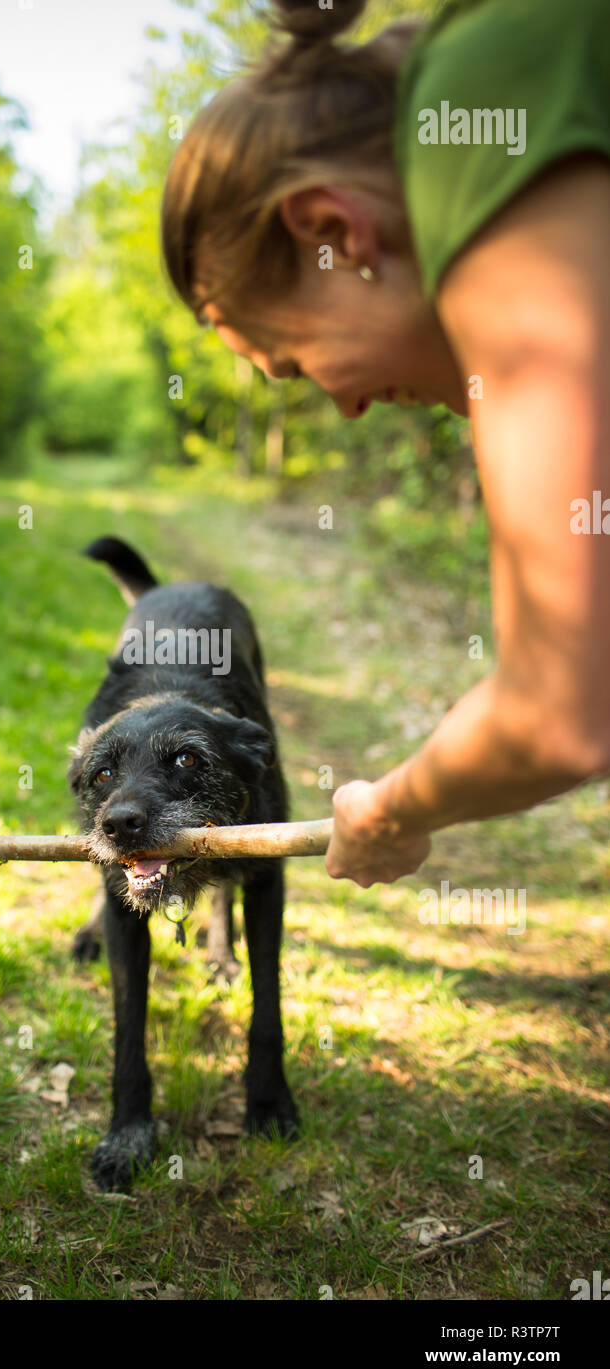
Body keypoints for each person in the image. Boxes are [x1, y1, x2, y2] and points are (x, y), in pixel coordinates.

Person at [160, 0, 610, 888]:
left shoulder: (483, 85)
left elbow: (560, 711)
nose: (349, 408)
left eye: (294, 362)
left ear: (331, 230)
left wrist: (391, 808)